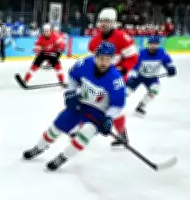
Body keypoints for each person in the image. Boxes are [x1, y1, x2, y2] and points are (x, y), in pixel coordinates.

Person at [22, 42, 125, 171]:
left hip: (99, 112)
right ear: (96, 56)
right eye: (101, 58)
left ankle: (63, 156)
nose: (104, 62)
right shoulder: (85, 64)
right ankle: (39, 147)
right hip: (80, 104)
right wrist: (70, 93)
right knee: (56, 126)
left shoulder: (116, 80)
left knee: (86, 132)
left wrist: (109, 118)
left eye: (108, 59)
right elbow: (73, 77)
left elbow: (117, 105)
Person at [88, 8, 138, 147]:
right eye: (102, 20)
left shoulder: (123, 37)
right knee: (89, 101)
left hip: (117, 79)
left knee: (114, 107)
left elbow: (133, 58)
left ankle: (122, 135)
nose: (103, 24)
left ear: (113, 22)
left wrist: (123, 69)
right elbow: (92, 60)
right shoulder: (94, 41)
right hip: (100, 78)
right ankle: (81, 127)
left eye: (107, 21)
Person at [127, 35, 176, 116]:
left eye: (155, 44)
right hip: (139, 76)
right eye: (151, 44)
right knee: (126, 91)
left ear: (158, 44)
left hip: (152, 78)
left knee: (155, 89)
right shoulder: (142, 52)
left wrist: (170, 68)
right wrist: (133, 76)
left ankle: (141, 106)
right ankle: (112, 105)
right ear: (148, 44)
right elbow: (135, 65)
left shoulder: (162, 52)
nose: (153, 46)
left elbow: (167, 62)